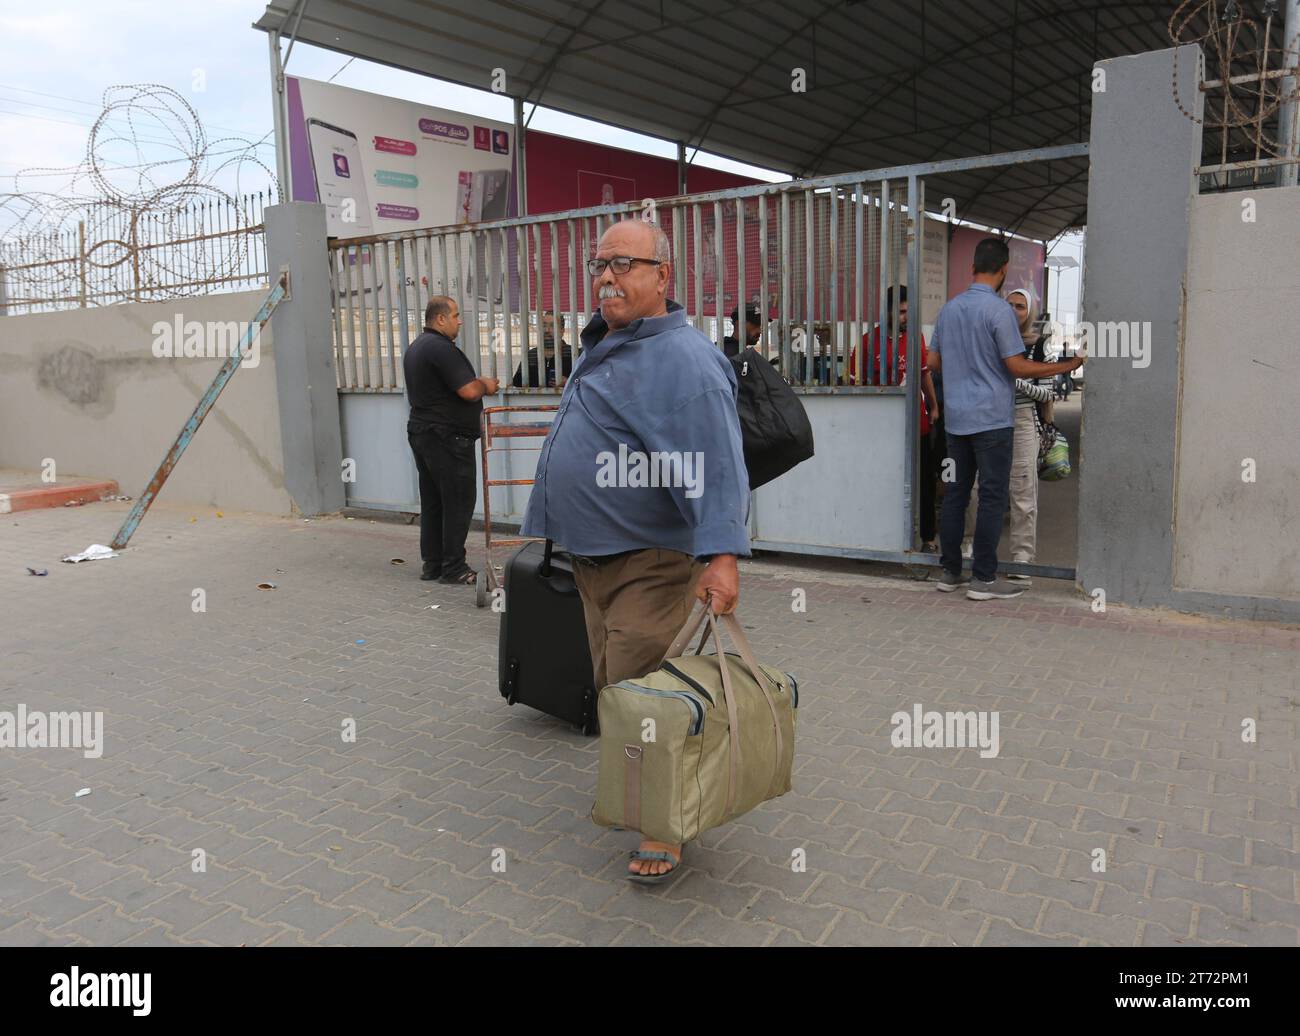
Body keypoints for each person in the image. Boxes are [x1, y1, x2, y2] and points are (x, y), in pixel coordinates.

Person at [521, 217, 750, 882]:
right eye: (600, 264)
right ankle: (648, 801)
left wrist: (723, 557)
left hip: (648, 565)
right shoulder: (614, 341)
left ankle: (665, 831)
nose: (606, 276)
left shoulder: (684, 360)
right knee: (623, 697)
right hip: (596, 564)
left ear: (663, 277)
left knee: (644, 702)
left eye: (624, 264)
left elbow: (717, 463)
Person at [926, 238, 1082, 600]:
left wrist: (963, 368)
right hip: (993, 422)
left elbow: (933, 363)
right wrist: (1067, 365)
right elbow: (1017, 366)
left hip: (957, 421)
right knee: (994, 496)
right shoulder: (998, 312)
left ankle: (950, 573)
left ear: (972, 268)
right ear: (1003, 270)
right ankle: (983, 578)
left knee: (957, 495)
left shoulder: (949, 311)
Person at [958, 287, 1054, 578]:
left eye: (1020, 306)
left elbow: (1046, 393)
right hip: (986, 420)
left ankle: (1022, 559)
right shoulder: (988, 340)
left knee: (1022, 493)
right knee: (975, 489)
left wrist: (1016, 382)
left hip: (1022, 422)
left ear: (1030, 313)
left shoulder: (1039, 346)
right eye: (1009, 304)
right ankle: (968, 547)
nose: (1013, 310)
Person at [404, 296, 499, 584]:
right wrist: (487, 384)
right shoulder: (441, 348)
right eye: (456, 315)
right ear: (440, 319)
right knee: (457, 501)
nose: (460, 321)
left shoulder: (417, 347)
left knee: (435, 502)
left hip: (424, 433)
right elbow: (468, 391)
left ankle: (433, 564)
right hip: (447, 438)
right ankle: (454, 568)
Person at [847, 286, 941, 547]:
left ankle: (928, 538)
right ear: (886, 312)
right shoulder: (867, 343)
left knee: (923, 482)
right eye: (901, 312)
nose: (906, 317)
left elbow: (924, 375)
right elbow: (856, 387)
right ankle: (878, 539)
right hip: (882, 428)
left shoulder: (916, 338)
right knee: (881, 481)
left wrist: (933, 406)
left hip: (915, 424)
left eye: (909, 312)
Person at [511, 312, 574, 388]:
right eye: (544, 326)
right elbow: (516, 386)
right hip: (535, 400)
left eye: (552, 326)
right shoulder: (530, 355)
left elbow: (586, 384)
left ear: (562, 331)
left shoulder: (573, 354)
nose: (547, 330)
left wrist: (569, 382)